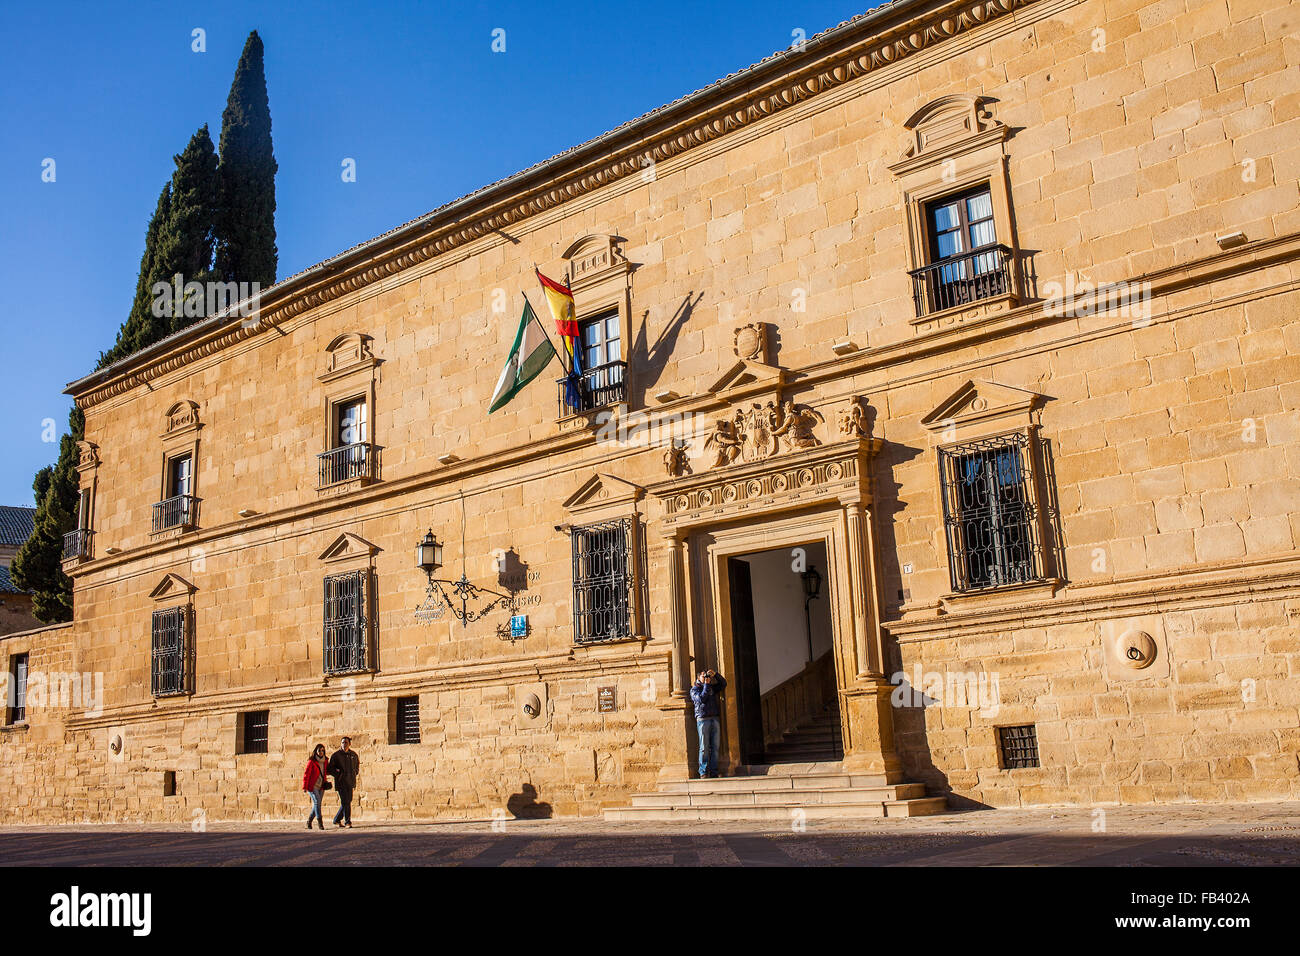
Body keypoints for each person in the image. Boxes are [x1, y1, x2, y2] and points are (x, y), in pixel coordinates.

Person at [690, 669, 727, 778]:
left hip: (714, 718)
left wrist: (715, 674)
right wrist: (706, 685)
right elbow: (701, 699)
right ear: (698, 678)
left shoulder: (710, 687)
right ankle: (703, 772)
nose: (706, 678)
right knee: (704, 747)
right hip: (703, 719)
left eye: (707, 676)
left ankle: (714, 771)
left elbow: (723, 684)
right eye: (703, 676)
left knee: (715, 746)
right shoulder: (694, 690)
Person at [327, 736, 360, 828]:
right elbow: (330, 768)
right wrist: (339, 775)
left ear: (349, 744)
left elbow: (357, 766)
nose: (344, 744)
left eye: (346, 742)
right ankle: (347, 822)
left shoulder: (353, 755)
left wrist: (354, 773)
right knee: (345, 801)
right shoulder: (336, 755)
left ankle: (337, 819)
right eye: (342, 742)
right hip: (341, 782)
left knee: (347, 801)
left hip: (350, 781)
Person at [302, 743, 329, 830]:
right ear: (316, 751)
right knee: (317, 802)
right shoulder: (312, 761)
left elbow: (326, 771)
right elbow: (306, 774)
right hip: (312, 786)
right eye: (319, 750)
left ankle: (309, 821)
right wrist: (305, 786)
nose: (321, 752)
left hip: (321, 786)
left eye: (322, 750)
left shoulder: (325, 761)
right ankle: (320, 823)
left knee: (317, 805)